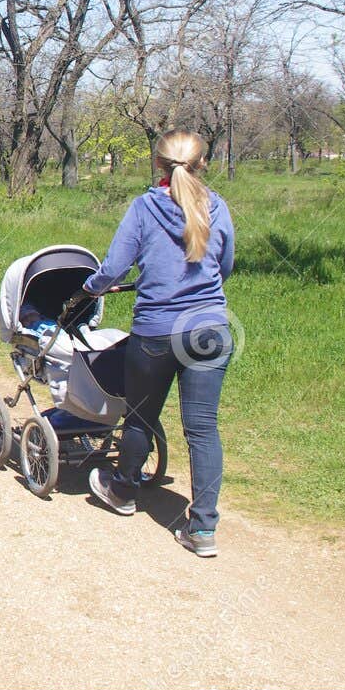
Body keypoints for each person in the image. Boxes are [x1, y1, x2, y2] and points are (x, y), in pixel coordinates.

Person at [81, 130, 236, 558]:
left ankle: (123, 490)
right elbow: (224, 265)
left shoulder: (144, 208)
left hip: (156, 330)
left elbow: (113, 267)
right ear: (203, 163)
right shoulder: (216, 206)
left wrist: (91, 289)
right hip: (209, 329)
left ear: (157, 164)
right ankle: (203, 529)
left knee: (140, 417)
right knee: (203, 428)